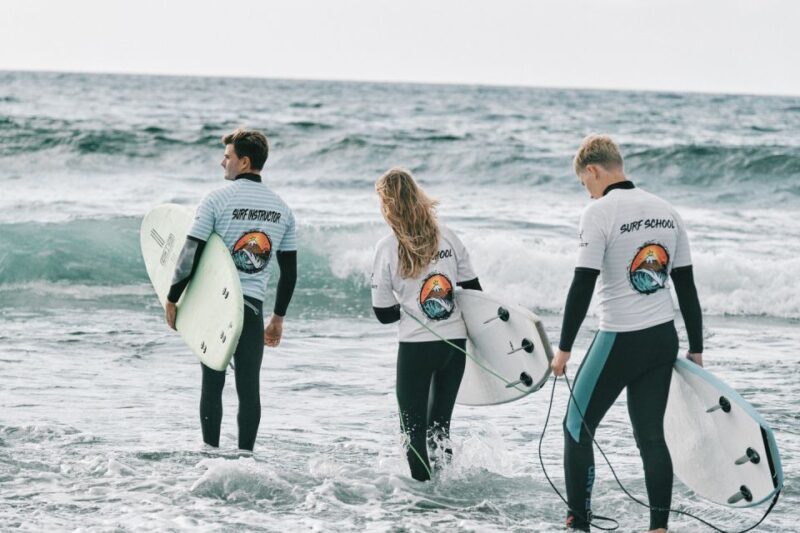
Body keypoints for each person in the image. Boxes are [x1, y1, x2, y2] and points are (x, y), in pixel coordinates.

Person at [551, 135, 703, 532]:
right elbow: (686, 286)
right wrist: (696, 348)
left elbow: (582, 284)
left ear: (593, 171)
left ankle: (578, 523)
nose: (588, 193)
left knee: (575, 427)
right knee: (651, 437)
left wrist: (564, 348)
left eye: (585, 185)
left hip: (620, 337)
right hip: (662, 338)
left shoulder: (600, 212)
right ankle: (658, 527)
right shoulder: (667, 211)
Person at [165, 128, 297, 452]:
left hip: (217, 307)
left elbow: (190, 253)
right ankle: (246, 458)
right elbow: (289, 272)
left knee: (212, 384)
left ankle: (210, 454)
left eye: (228, 157)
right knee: (249, 389)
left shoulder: (216, 200)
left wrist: (172, 298)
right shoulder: (283, 209)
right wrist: (278, 318)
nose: (222, 162)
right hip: (251, 310)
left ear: (244, 161)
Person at [370, 168, 482, 481]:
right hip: (454, 346)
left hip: (416, 349)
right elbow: (474, 292)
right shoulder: (448, 236)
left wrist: (409, 310)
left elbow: (382, 312)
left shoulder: (387, 247)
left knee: (413, 431)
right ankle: (445, 486)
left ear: (388, 205)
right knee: (439, 426)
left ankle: (425, 501)